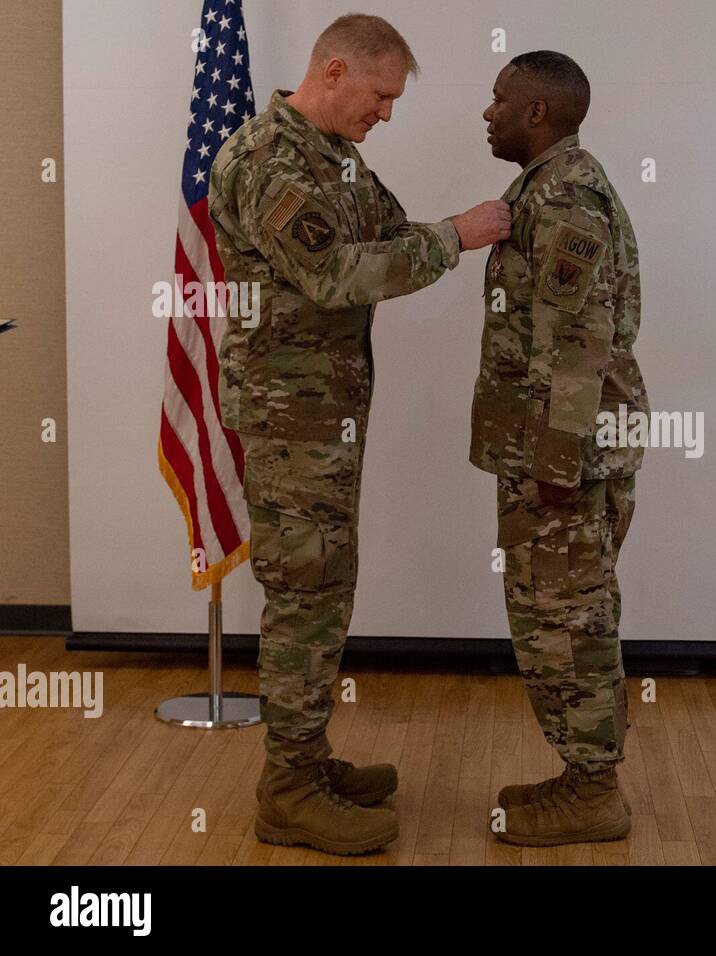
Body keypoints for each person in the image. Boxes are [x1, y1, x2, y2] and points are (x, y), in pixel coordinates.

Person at [209, 13, 509, 856]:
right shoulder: (268, 160)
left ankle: (305, 759)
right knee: (304, 592)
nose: (385, 115)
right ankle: (288, 791)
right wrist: (458, 236)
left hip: (326, 414)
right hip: (288, 415)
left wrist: (437, 236)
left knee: (325, 585)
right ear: (334, 72)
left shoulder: (334, 159)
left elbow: (389, 233)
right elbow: (341, 272)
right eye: (379, 97)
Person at [473, 51, 650, 846]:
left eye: (500, 99)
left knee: (565, 617)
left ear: (537, 113)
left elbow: (578, 341)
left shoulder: (567, 195)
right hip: (555, 445)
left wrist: (554, 462)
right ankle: (585, 774)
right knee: (564, 610)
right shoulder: (544, 186)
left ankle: (592, 792)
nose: (489, 112)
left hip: (565, 454)